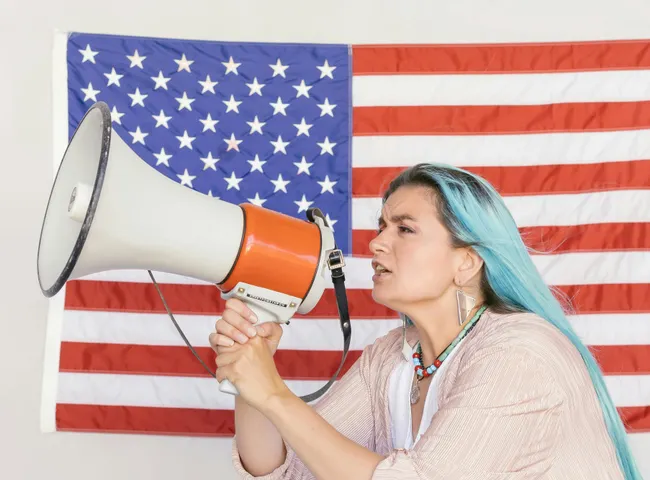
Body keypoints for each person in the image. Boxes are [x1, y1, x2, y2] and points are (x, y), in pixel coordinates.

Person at [208, 163, 641, 479]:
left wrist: (276, 394)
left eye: (405, 229)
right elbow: (289, 471)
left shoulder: (522, 352)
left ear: (467, 262)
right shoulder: (391, 359)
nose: (376, 243)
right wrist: (254, 382)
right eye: (381, 227)